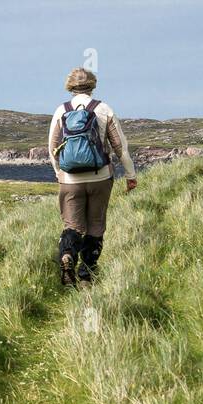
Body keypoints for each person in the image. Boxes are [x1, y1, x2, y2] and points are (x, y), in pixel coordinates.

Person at [48, 68, 137, 285]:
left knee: (73, 226)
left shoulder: (61, 111)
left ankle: (67, 255)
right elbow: (120, 147)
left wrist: (60, 173)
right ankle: (87, 275)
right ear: (92, 85)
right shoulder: (103, 109)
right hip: (100, 178)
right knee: (95, 226)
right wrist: (130, 175)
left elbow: (52, 148)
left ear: (70, 86)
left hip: (70, 181)